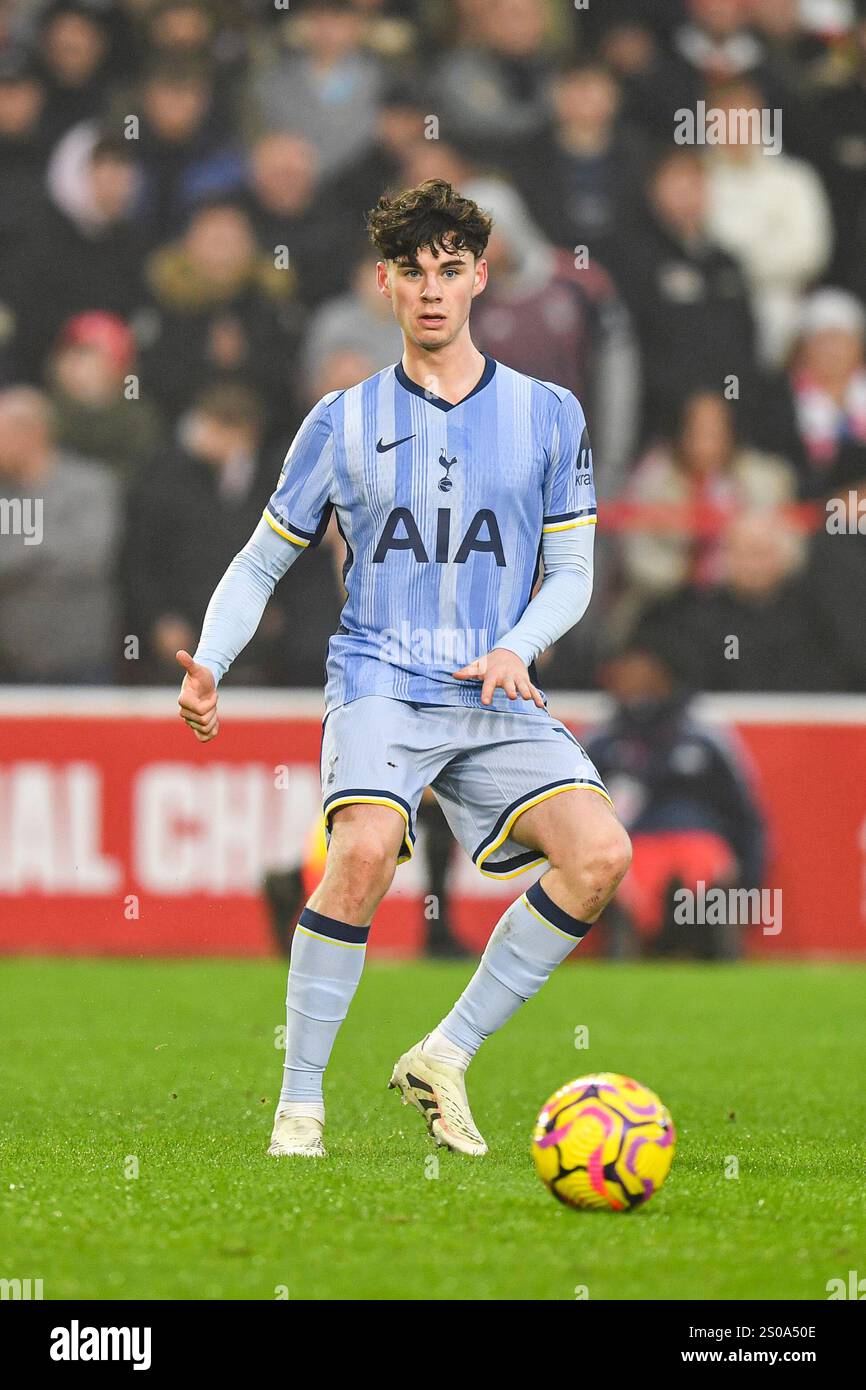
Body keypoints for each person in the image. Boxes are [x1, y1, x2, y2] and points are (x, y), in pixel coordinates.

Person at [176, 178, 631, 1159]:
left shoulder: (548, 414)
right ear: (385, 285)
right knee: (364, 854)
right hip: (381, 677)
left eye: (451, 270)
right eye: (412, 273)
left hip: (492, 683)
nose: (431, 290)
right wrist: (210, 661)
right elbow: (264, 558)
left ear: (480, 278)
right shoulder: (338, 421)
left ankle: (444, 1051)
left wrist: (517, 644)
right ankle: (299, 1105)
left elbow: (573, 571)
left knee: (598, 857)